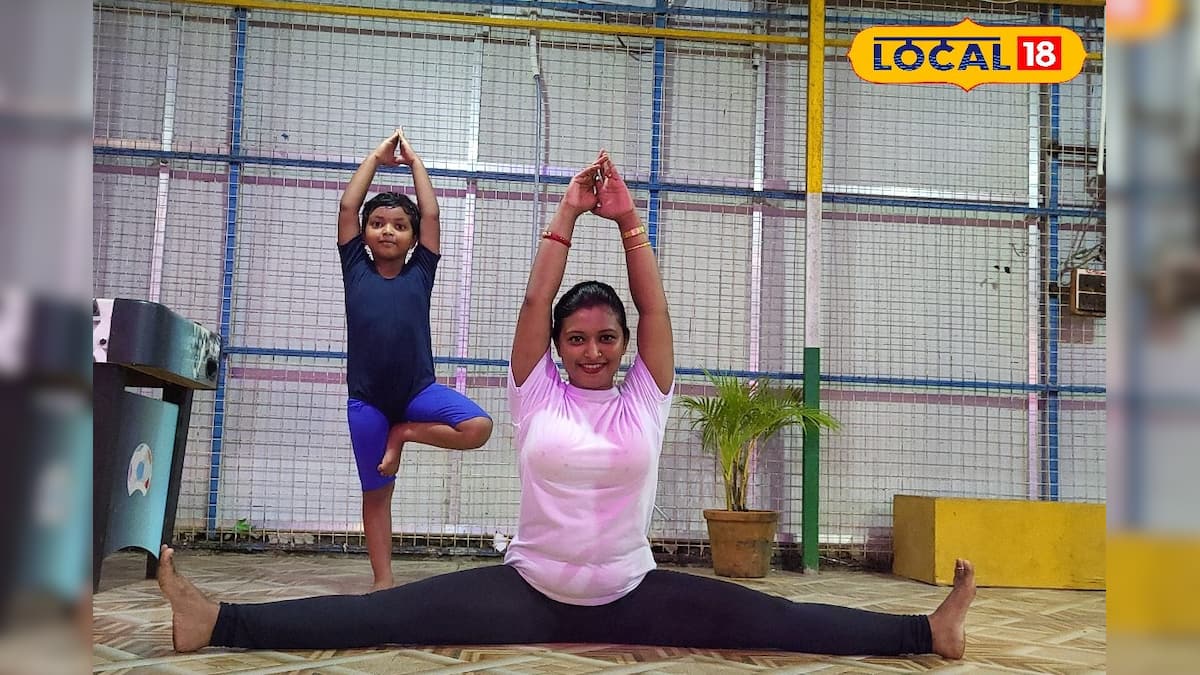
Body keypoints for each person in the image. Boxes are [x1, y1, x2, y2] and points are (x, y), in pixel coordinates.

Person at [158, 151, 976, 658]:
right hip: (525, 588)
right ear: (556, 346)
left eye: (604, 338)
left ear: (623, 344)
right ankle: (217, 620)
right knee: (381, 616)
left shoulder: (644, 397)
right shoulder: (535, 388)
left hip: (634, 591)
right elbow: (532, 302)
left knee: (780, 620)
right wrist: (565, 214)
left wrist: (628, 223)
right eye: (576, 338)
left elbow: (655, 309)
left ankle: (925, 632)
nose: (591, 350)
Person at [337, 128, 494, 590]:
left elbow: (432, 213)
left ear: (412, 239)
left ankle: (403, 433)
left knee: (478, 426)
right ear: (366, 233)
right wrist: (375, 158)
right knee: (376, 493)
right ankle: (383, 581)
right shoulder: (355, 268)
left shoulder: (421, 271)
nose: (388, 230)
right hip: (367, 401)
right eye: (378, 223)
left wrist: (415, 164)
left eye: (399, 226)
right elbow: (347, 206)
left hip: (417, 394)